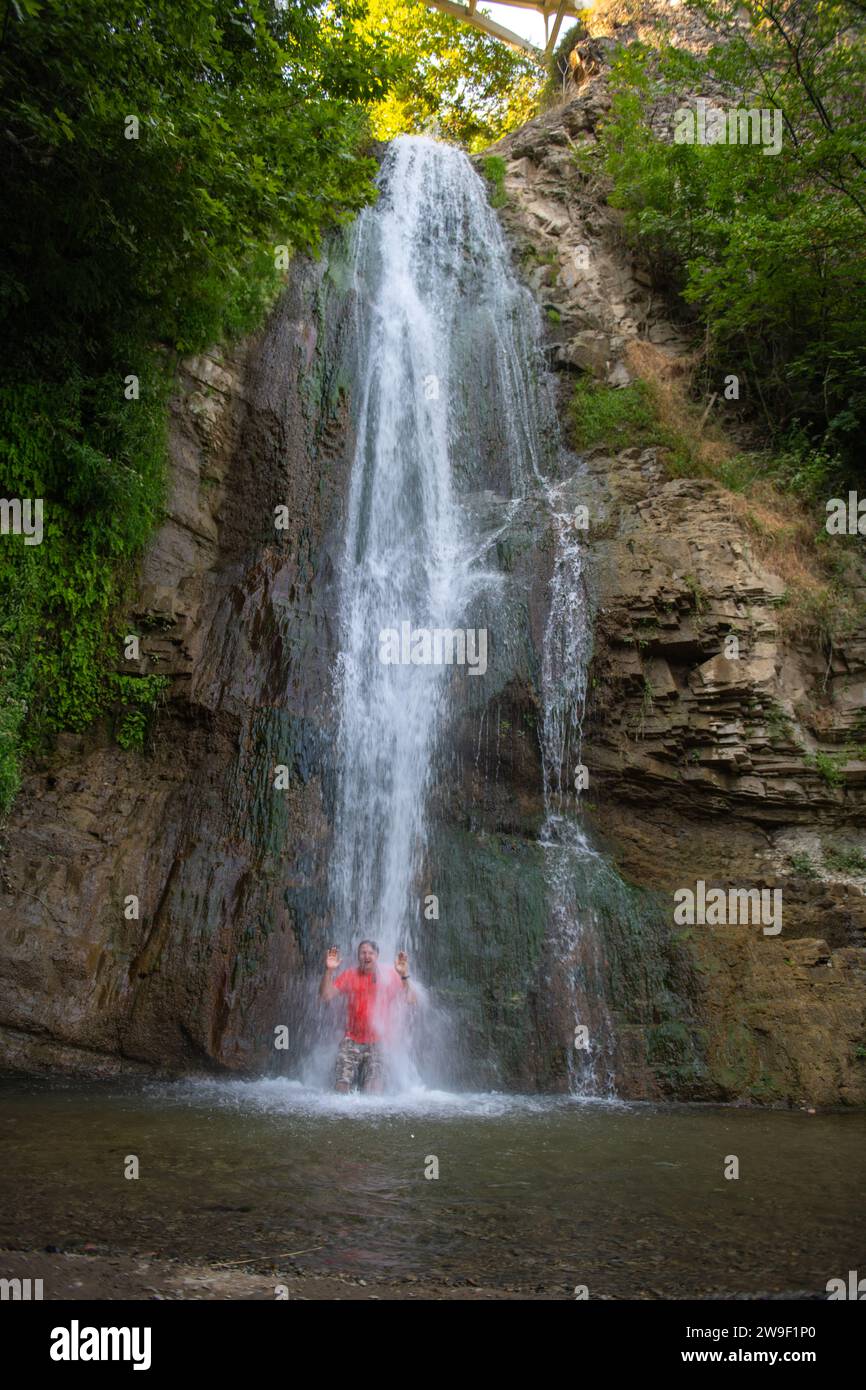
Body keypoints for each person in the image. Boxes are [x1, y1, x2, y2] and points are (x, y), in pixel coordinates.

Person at [319, 939, 416, 1093]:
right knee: (341, 1087)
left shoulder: (389, 975)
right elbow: (325, 996)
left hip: (377, 1043)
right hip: (351, 1040)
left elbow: (410, 1000)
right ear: (358, 956)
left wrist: (404, 975)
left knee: (374, 1090)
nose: (366, 956)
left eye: (370, 953)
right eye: (363, 952)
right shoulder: (349, 975)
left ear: (377, 956)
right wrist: (329, 970)